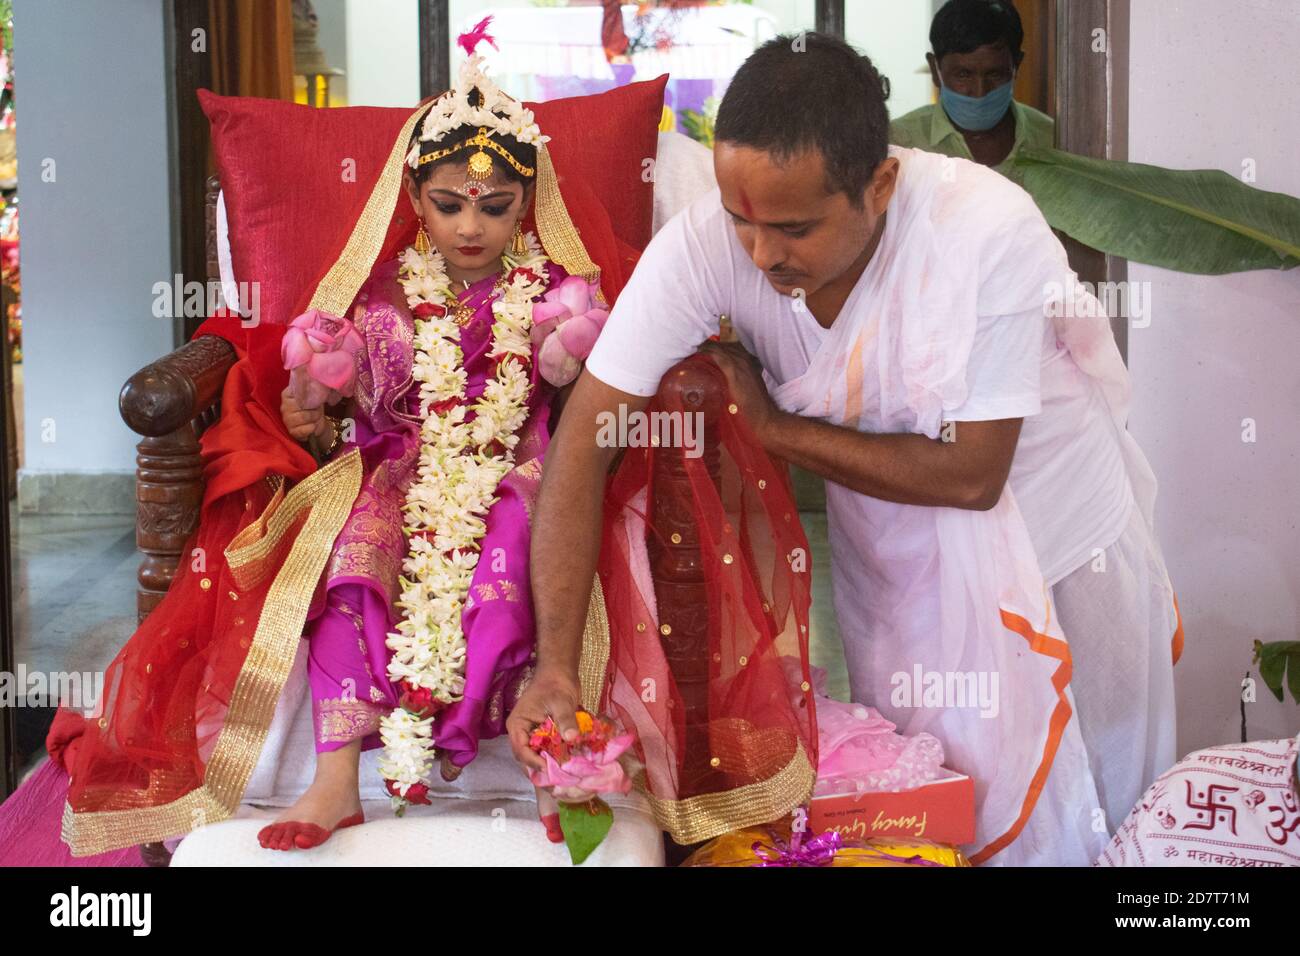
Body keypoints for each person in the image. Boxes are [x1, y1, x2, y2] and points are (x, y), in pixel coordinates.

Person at [508, 32, 1182, 866]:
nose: (760, 254)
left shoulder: (984, 232)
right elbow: (586, 440)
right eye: (740, 219)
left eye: (793, 227)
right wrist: (557, 667)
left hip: (1059, 546)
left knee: (1102, 818)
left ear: (881, 184)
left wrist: (777, 429)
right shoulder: (713, 241)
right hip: (902, 564)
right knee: (929, 808)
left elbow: (974, 475)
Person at [0, 21, 633, 862]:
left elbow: (575, 385)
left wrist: (572, 337)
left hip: (514, 466)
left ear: (528, 204)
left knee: (513, 541)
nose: (470, 226)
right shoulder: (381, 294)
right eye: (447, 206)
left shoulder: (552, 291)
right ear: (414, 202)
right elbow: (328, 401)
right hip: (391, 463)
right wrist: (313, 388)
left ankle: (551, 757)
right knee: (354, 554)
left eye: (495, 206)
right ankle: (337, 779)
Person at [890, 0, 1053, 175]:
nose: (980, 92)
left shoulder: (1053, 140)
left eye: (994, 74)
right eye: (963, 75)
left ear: (1016, 66)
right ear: (935, 70)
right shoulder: (898, 145)